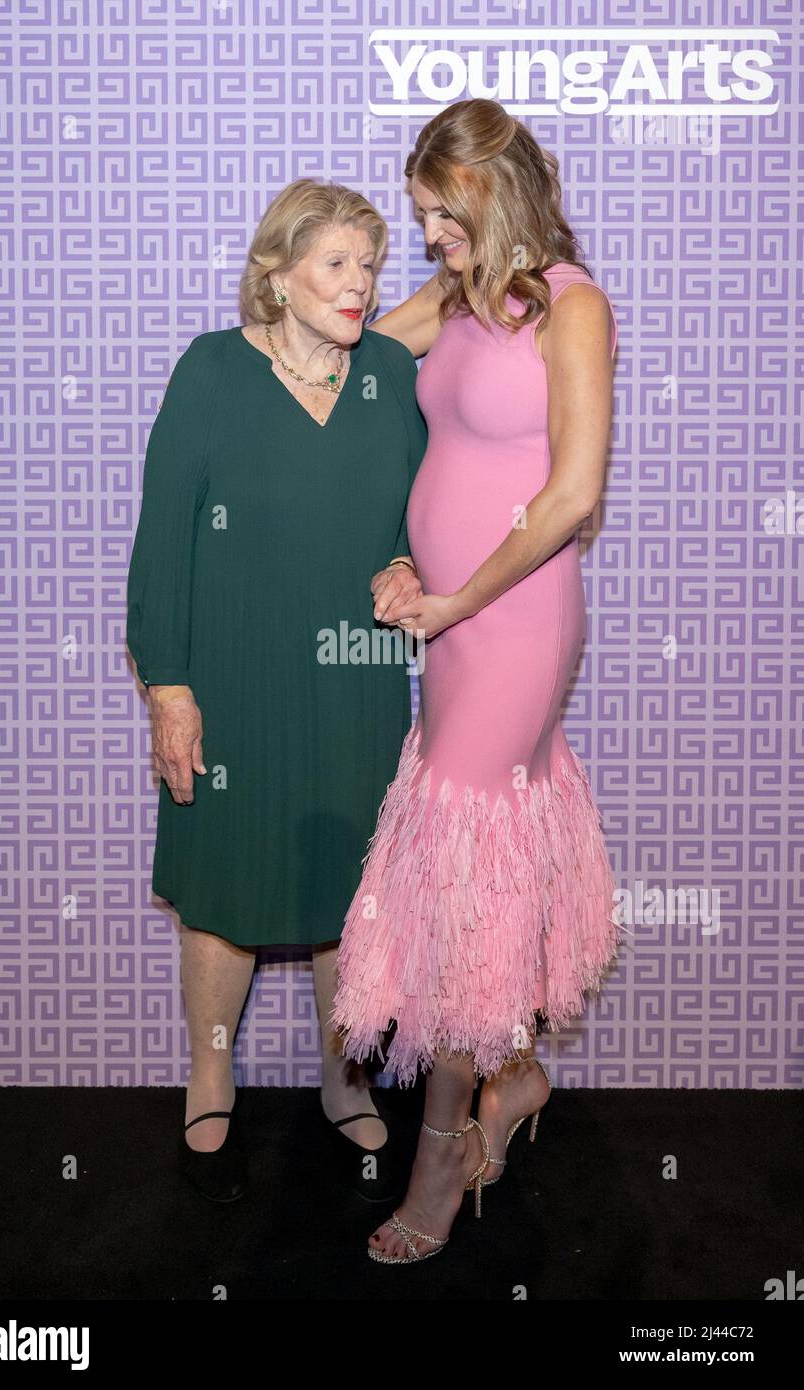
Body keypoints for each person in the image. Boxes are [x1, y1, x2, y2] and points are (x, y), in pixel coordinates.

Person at [331, 99, 624, 1262]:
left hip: (511, 622)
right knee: (479, 865)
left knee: (464, 877)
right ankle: (511, 1080)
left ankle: (442, 1150)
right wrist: (272, 315)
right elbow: (358, 342)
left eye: (438, 220)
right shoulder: (454, 300)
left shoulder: (572, 305)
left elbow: (569, 497)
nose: (428, 240)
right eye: (417, 219)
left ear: (492, 197)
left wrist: (456, 594)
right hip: (445, 622)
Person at [126, 178, 428, 1203]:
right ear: (277, 273)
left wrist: (404, 565)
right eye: (336, 264)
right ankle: (212, 1066)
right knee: (222, 888)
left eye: (370, 265)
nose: (360, 284)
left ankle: (342, 1073)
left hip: (357, 679)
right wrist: (170, 686)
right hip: (234, 680)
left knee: (353, 888)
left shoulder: (391, 374)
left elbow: (417, 518)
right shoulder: (211, 370)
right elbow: (164, 538)